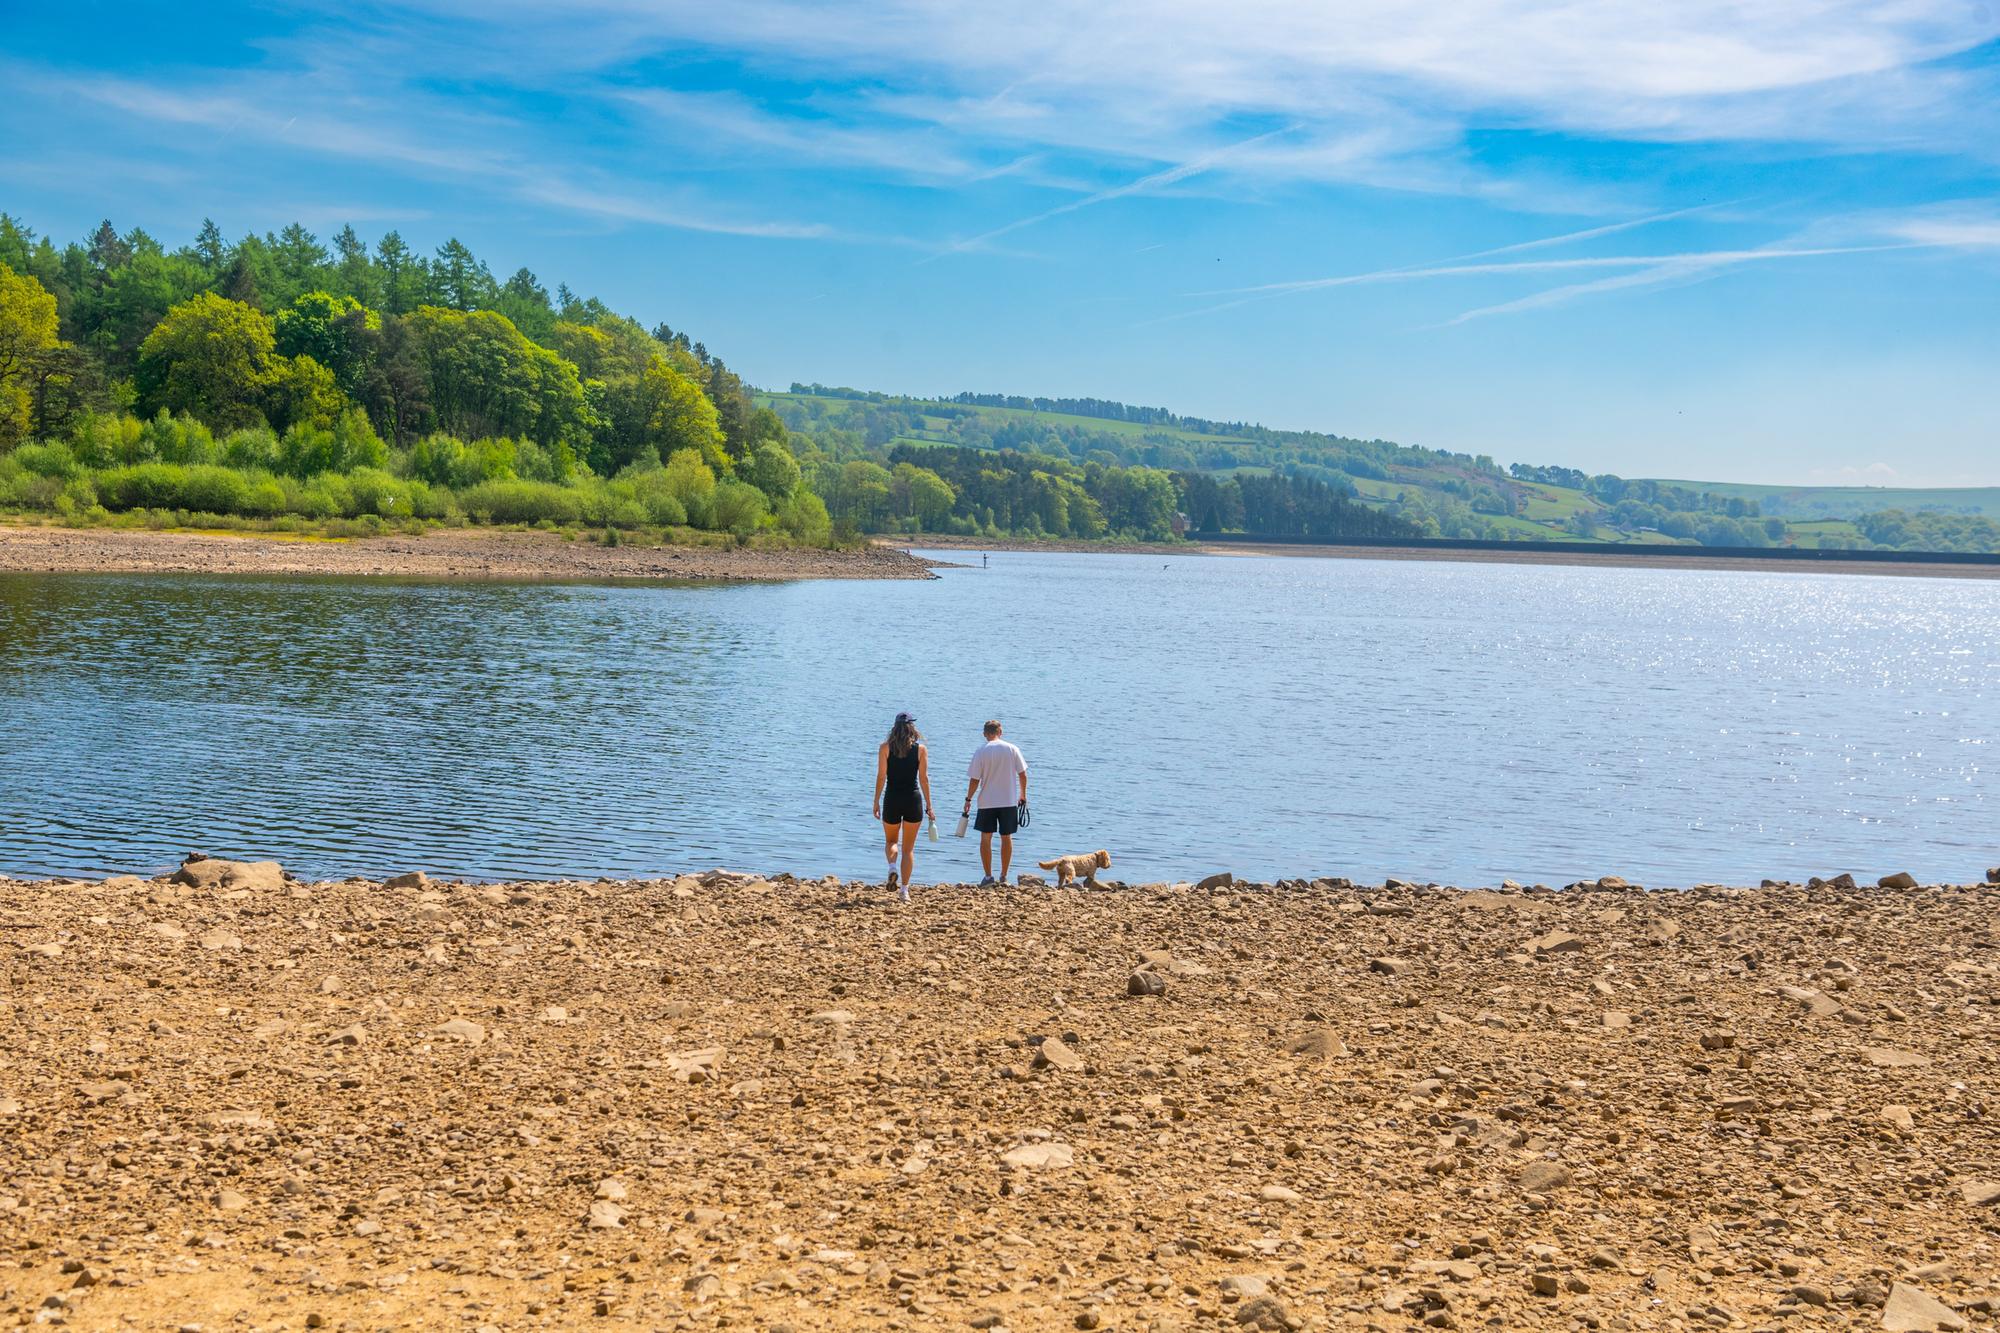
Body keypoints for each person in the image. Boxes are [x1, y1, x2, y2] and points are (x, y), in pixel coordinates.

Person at [873, 712, 932, 900]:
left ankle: (892, 867)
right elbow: (923, 779)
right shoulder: (921, 750)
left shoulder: (884, 748)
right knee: (908, 849)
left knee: (891, 842)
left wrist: (876, 801)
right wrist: (929, 806)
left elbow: (881, 776)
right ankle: (904, 891)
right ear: (912, 728)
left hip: (892, 798)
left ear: (895, 728)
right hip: (912, 799)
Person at [962, 720, 1028, 886]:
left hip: (987, 801)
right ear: (1001, 732)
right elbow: (1023, 774)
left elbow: (974, 780)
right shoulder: (1012, 749)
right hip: (1008, 800)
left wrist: (968, 799)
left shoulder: (980, 751)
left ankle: (988, 876)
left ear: (985, 733)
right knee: (1006, 838)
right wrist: (1023, 795)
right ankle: (1004, 876)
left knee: (986, 838)